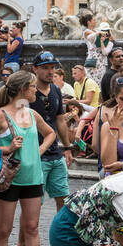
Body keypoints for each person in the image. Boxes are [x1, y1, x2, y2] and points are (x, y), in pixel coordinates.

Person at [0, 70, 55, 246]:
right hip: (9, 180)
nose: (36, 90)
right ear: (23, 89)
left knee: (32, 227)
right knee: (3, 229)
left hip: (33, 178)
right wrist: (7, 148)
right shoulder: (0, 115)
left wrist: (39, 150)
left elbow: (51, 133)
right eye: (33, 87)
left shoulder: (32, 114)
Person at [32, 51, 74, 211]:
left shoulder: (56, 90)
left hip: (56, 154)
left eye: (53, 68)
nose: (50, 71)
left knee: (64, 201)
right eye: (45, 68)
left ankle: (60, 234)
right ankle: (29, 237)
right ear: (35, 69)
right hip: (37, 155)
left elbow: (60, 119)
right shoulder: (27, 91)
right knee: (34, 206)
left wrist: (68, 147)